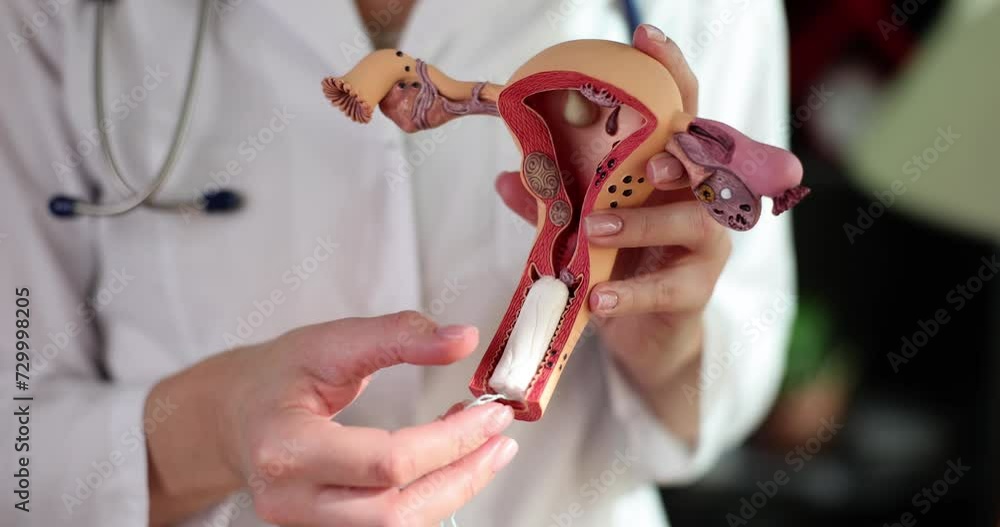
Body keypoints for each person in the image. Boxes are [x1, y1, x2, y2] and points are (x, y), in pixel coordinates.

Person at [0, 1, 798, 526]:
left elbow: (738, 376)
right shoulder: (59, 23)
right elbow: (18, 454)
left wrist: (668, 348)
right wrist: (214, 429)